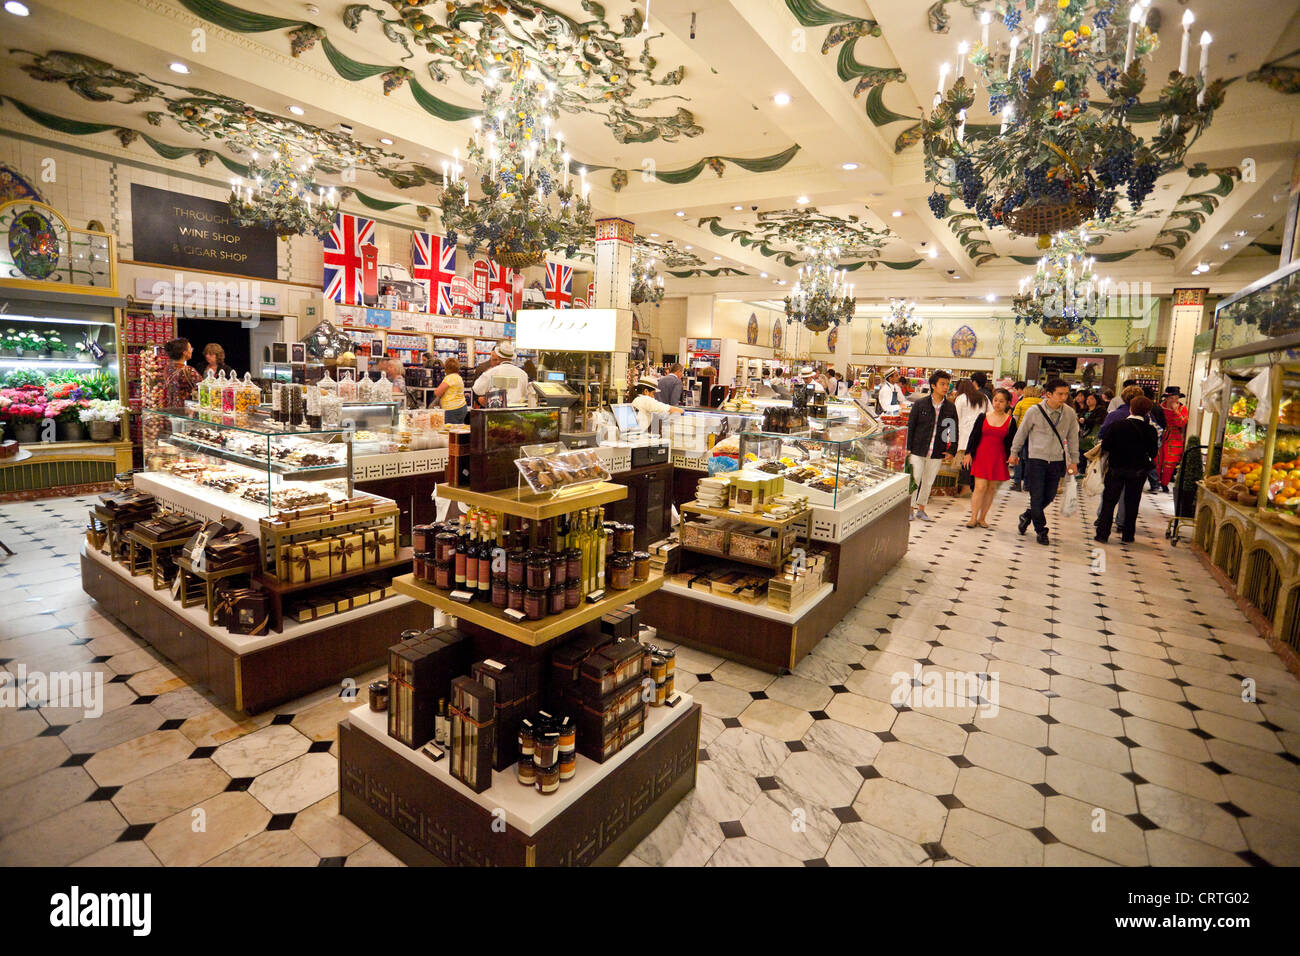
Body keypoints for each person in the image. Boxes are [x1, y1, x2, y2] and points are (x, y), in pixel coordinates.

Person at [1009, 378, 1079, 546]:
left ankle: (1027, 516)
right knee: (1037, 495)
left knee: (1049, 495)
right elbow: (1021, 433)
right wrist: (1014, 452)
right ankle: (1041, 530)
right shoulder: (1034, 411)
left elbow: (1073, 437)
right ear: (1049, 394)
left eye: (1066, 394)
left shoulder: (1069, 413)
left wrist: (1074, 461)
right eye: (1059, 394)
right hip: (1036, 459)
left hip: (1057, 460)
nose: (1063, 397)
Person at [1095, 395, 1159, 544]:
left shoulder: (1117, 425)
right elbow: (1153, 452)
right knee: (1132, 502)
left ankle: (1102, 534)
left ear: (1131, 408)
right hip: (1138, 471)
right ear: (1148, 412)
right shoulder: (1150, 430)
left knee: (1109, 502)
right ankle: (1128, 535)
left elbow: (1106, 446)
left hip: (1116, 468)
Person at [905, 369, 958, 522]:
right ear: (933, 385)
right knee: (915, 479)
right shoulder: (920, 404)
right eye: (942, 384)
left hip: (937, 450)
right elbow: (911, 426)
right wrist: (908, 447)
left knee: (928, 481)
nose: (945, 387)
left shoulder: (950, 407)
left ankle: (921, 509)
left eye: (947, 384)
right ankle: (910, 508)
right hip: (917, 449)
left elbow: (953, 429)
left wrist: (952, 450)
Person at [963, 387, 1018, 529]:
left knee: (991, 488)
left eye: (1001, 401)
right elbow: (974, 436)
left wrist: (1013, 455)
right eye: (995, 400)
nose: (997, 403)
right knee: (980, 487)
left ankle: (982, 518)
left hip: (998, 457)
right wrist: (968, 453)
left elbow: (1012, 441)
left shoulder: (1010, 421)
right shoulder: (983, 417)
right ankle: (973, 517)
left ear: (1007, 403)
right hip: (981, 455)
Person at [953, 379, 989, 499]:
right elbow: (991, 414)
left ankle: (965, 489)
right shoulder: (983, 397)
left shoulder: (961, 398)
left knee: (966, 464)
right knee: (977, 463)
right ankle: (977, 489)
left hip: (965, 435)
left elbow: (955, 417)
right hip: (981, 435)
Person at [472, 342, 530, 407]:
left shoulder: (492, 372)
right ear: (512, 358)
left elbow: (477, 389)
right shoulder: (523, 374)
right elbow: (524, 394)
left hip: (496, 411)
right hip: (516, 412)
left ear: (499, 357)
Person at [1009, 385, 1043, 491]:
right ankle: (1028, 484)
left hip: (1021, 433)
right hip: (1036, 434)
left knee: (1017, 457)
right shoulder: (1042, 404)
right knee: (1030, 459)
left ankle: (1017, 482)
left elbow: (1014, 418)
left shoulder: (1021, 403)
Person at [1157, 387, 1188, 492]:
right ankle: (1155, 481)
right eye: (1171, 397)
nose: (1174, 400)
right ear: (1166, 398)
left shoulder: (1182, 408)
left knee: (1170, 461)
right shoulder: (1160, 407)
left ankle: (1165, 483)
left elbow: (1182, 423)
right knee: (1157, 459)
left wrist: (1175, 411)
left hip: (1175, 436)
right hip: (1160, 434)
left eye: (1176, 397)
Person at [162, 337, 201, 408]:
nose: (192, 351)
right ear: (185, 353)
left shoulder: (167, 369)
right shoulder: (189, 370)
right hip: (185, 411)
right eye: (190, 349)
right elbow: (203, 388)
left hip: (170, 409)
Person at [1079, 391, 1108, 472]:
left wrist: (1085, 421)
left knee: (1092, 454)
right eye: (1087, 399)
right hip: (1083, 436)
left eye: (1091, 399)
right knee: (1082, 453)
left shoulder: (1101, 410)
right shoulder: (1085, 410)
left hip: (1094, 437)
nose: (1088, 400)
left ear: (1097, 400)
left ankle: (1091, 472)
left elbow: (1099, 421)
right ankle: (1082, 470)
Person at [434, 356, 468, 424]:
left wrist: (435, 391)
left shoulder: (449, 378)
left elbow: (438, 393)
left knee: (450, 431)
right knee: (458, 430)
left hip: (451, 409)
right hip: (462, 407)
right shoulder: (459, 377)